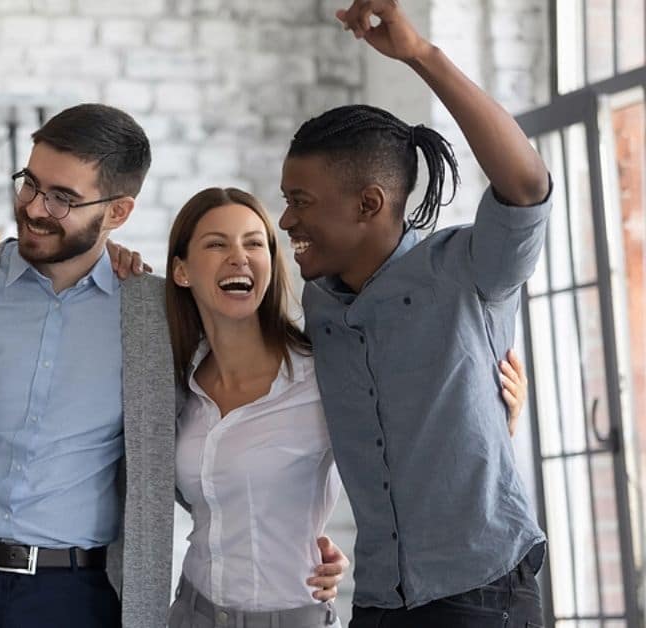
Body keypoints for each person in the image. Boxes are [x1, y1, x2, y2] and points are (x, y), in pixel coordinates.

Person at [0, 104, 348, 628]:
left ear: (118, 213)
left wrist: (304, 550)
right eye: (30, 184)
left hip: (78, 596)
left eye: (63, 199)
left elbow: (211, 455)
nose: (34, 207)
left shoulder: (153, 314)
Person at [278, 1, 552, 625]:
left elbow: (527, 186)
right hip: (378, 599)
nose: (287, 219)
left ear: (369, 203)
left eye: (301, 201)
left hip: (481, 593)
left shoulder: (467, 271)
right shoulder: (318, 303)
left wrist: (421, 56)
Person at [164, 188, 529, 628]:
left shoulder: (322, 375)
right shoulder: (173, 383)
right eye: (217, 243)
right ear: (181, 271)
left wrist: (492, 414)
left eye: (254, 242)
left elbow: (422, 442)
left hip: (295, 617)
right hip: (190, 612)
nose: (239, 257)